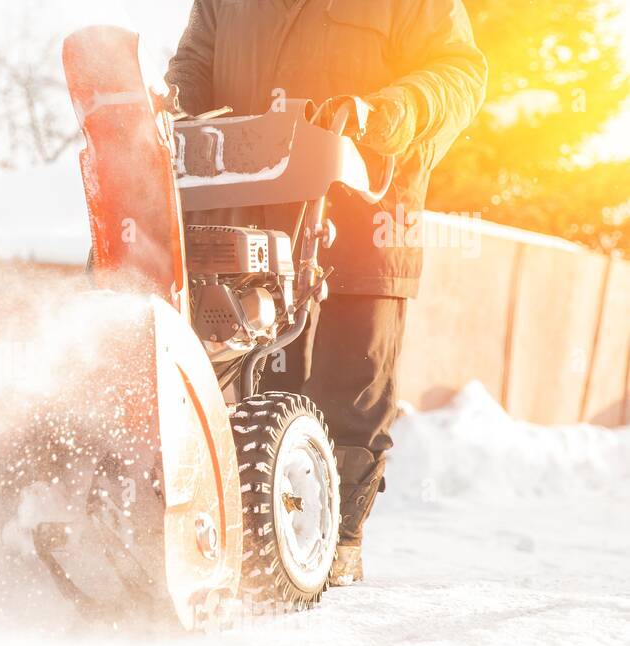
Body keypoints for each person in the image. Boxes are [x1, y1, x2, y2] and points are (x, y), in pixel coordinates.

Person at [166, 0, 487, 584]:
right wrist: (177, 104)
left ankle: (332, 542)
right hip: (248, 218)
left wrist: (387, 111)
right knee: (246, 376)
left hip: (366, 214)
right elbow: (194, 61)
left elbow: (458, 73)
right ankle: (235, 531)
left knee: (350, 386)